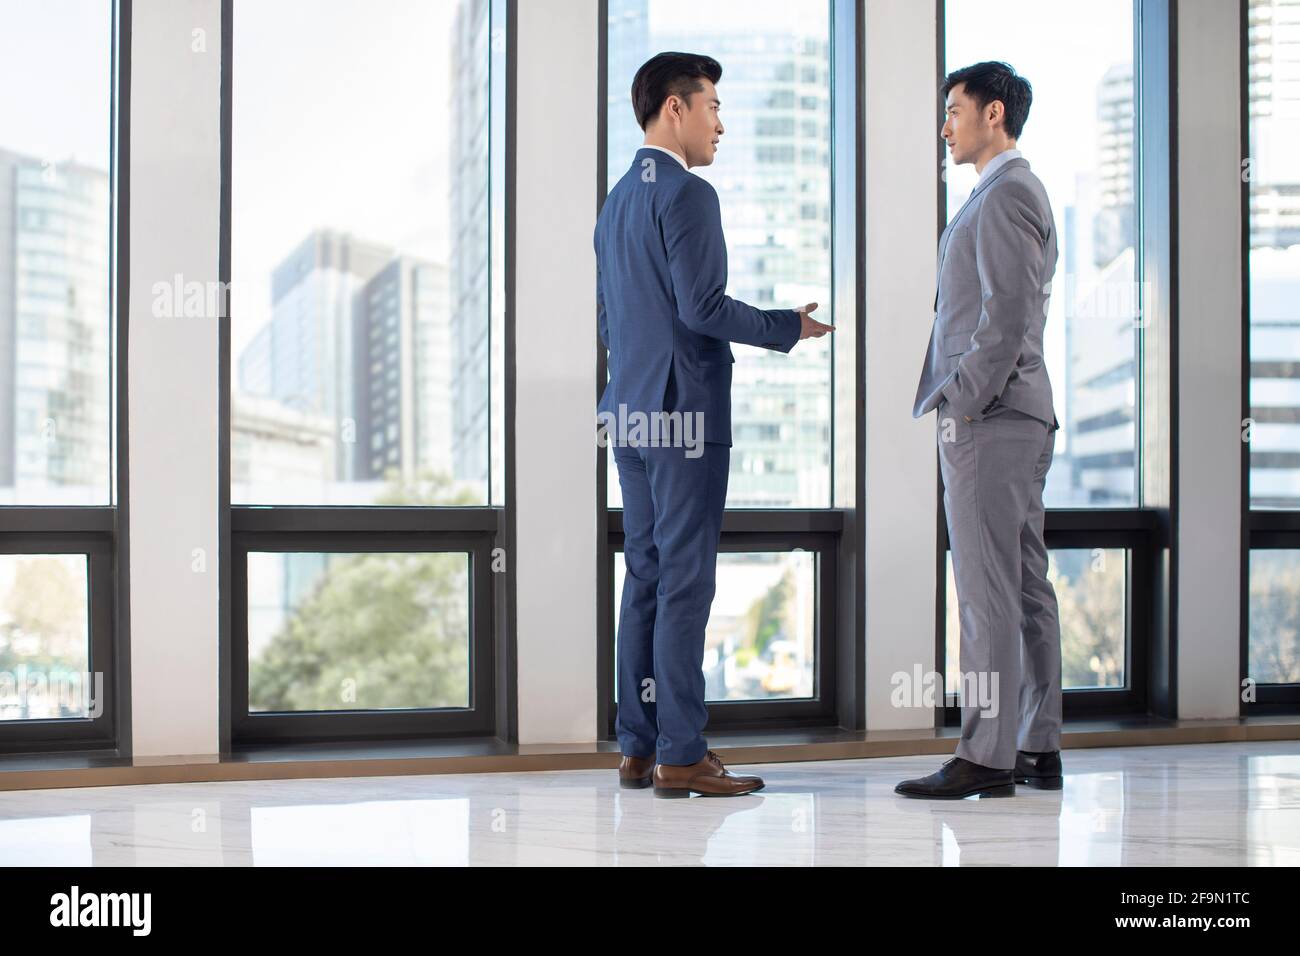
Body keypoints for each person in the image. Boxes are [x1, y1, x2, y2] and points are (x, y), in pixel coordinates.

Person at [595, 51, 833, 798]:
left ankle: (638, 746)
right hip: (685, 415)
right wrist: (786, 325)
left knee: (646, 578)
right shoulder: (688, 195)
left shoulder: (613, 203)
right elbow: (702, 309)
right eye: (713, 107)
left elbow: (609, 320)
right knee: (686, 585)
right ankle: (682, 753)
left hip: (629, 413)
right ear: (675, 108)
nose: (720, 124)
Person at [898, 61, 1064, 799]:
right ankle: (1035, 745)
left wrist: (963, 398)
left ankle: (987, 757)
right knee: (1025, 586)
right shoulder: (1009, 192)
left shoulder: (1007, 193)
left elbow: (1008, 315)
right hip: (1014, 415)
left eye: (955, 111)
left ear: (993, 114)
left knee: (987, 592)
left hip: (993, 420)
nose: (946, 126)